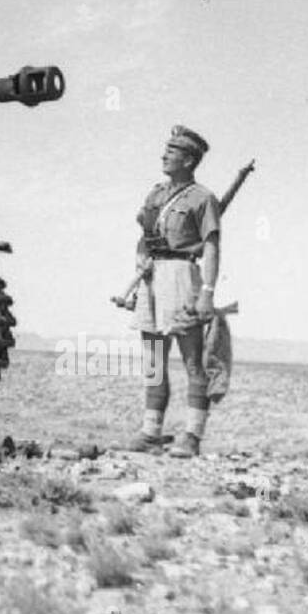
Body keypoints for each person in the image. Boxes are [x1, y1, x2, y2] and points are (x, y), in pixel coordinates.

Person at [127, 125, 221, 458]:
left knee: (194, 361)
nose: (164, 155)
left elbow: (211, 248)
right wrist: (140, 266)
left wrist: (207, 292)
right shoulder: (155, 194)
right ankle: (151, 432)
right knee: (154, 359)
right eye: (166, 149)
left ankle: (191, 436)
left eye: (172, 150)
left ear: (190, 159)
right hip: (152, 278)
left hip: (183, 276)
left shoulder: (202, 198)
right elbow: (144, 235)